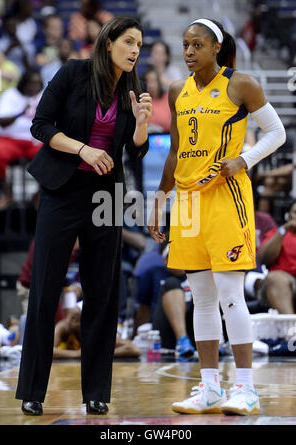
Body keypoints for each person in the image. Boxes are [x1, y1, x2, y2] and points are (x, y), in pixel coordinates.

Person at [148, 18, 286, 416]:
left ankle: (245, 388)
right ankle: (209, 388)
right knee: (202, 300)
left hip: (228, 198)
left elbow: (276, 133)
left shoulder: (240, 84)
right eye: (185, 45)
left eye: (197, 45)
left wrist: (244, 159)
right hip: (188, 203)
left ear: (215, 47)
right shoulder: (178, 90)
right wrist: (160, 199)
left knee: (229, 296)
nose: (189, 52)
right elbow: (175, 153)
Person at [15, 16, 152, 416]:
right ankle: (33, 392)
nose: (135, 50)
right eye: (129, 42)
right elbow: (41, 125)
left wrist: (141, 125)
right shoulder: (74, 73)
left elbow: (136, 151)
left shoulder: (132, 89)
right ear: (108, 42)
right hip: (62, 192)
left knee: (103, 295)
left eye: (140, 45)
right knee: (45, 289)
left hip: (105, 197)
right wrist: (83, 150)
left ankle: (96, 393)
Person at [0, 69, 44, 210]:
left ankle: (39, 195)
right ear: (23, 83)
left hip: (35, 140)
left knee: (54, 156)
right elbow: (1, 121)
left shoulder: (43, 96)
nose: (34, 87)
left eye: (37, 84)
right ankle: (7, 193)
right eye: (31, 83)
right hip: (11, 140)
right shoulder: (11, 95)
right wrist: (20, 113)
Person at [53, 306, 141, 359]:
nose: (69, 321)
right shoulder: (64, 327)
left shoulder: (96, 332)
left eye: (75, 319)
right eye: (71, 317)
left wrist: (97, 355)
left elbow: (133, 349)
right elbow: (50, 351)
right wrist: (77, 354)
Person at [257, 200, 296, 314]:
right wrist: (283, 230)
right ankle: (292, 328)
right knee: (276, 278)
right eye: (295, 212)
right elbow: (264, 259)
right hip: (282, 282)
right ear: (288, 216)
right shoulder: (277, 232)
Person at [142, 66, 171, 133]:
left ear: (159, 82)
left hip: (167, 136)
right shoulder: (142, 101)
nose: (150, 85)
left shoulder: (168, 97)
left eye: (153, 81)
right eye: (147, 81)